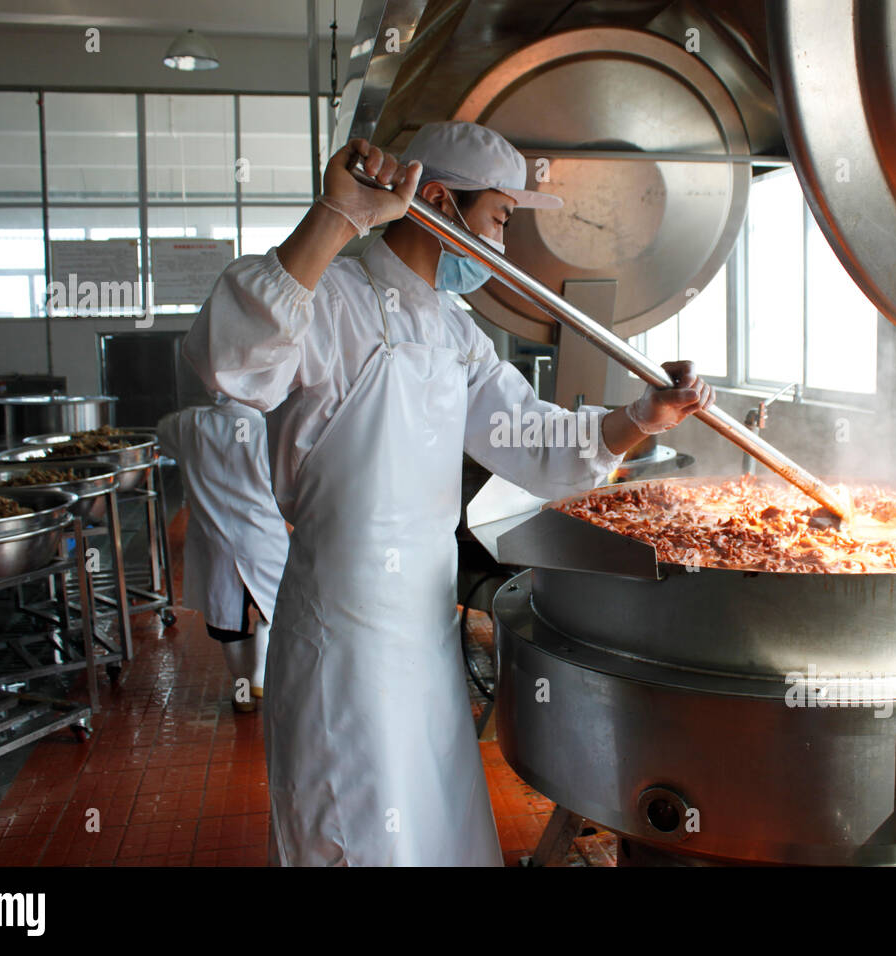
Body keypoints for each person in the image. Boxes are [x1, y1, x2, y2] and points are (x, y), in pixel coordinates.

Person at [184, 120, 714, 866]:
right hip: (343, 626)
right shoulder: (332, 297)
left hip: (425, 622)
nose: (501, 243)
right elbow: (230, 363)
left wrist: (641, 418)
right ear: (438, 201)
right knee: (357, 829)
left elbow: (534, 441)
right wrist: (333, 218)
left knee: (437, 826)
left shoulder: (454, 332)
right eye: (498, 217)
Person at [156, 394, 289, 712]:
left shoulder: (187, 423)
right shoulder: (266, 429)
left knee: (229, 625)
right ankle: (260, 672)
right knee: (275, 608)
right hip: (262, 538)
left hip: (214, 542)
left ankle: (243, 692)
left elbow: (161, 434)